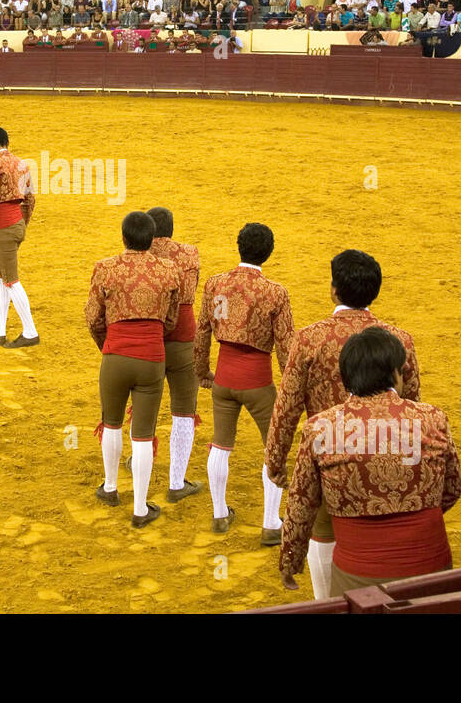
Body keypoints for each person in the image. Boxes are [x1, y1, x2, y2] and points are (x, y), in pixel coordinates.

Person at [264, 249, 421, 596]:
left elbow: (287, 407)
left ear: (333, 290)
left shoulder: (307, 339)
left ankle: (326, 603)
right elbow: (412, 405)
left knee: (323, 530)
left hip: (330, 455)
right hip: (388, 454)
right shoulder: (400, 339)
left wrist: (275, 462)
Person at [279, 327, 460, 595]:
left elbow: (301, 504)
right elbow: (451, 489)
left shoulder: (320, 428)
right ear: (397, 374)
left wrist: (290, 560)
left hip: (357, 578)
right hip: (429, 571)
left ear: (346, 378)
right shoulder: (433, 418)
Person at [195, 223, 294, 543]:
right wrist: (292, 390)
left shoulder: (215, 285)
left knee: (220, 444)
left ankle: (219, 514)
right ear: (269, 252)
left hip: (223, 379)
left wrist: (202, 373)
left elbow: (202, 333)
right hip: (258, 382)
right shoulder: (275, 292)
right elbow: (286, 346)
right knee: (274, 448)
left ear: (239, 247)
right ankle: (270, 523)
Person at [85, 211, 182, 527]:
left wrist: (108, 346)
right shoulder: (168, 271)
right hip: (152, 357)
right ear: (152, 241)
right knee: (143, 435)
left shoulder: (105, 268)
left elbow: (93, 318)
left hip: (115, 354)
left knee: (111, 423)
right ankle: (140, 508)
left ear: (124, 237)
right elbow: (171, 320)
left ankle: (110, 488)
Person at [144, 206, 203, 501]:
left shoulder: (141, 256)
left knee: (144, 400)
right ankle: (177, 483)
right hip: (183, 334)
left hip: (149, 333)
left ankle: (141, 458)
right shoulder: (190, 253)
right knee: (183, 409)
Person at [0, 127, 38, 348]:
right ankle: (0, 330)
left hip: (4, 227)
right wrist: (22, 223)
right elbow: (30, 198)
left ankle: (30, 332)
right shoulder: (22, 163)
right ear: (7, 143)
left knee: (11, 281)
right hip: (16, 224)